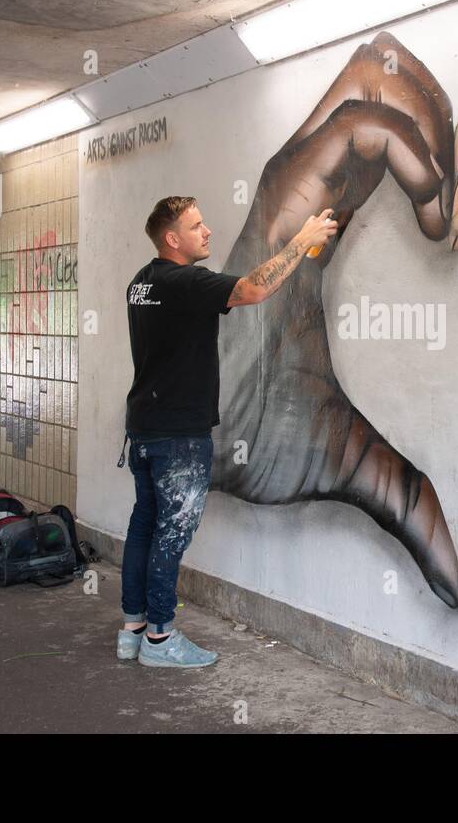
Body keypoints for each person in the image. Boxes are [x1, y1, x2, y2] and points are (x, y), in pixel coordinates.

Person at [116, 195, 336, 668]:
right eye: (196, 226)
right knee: (171, 533)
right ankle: (160, 638)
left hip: (146, 428)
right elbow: (252, 290)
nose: (208, 231)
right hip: (178, 434)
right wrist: (302, 240)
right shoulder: (185, 282)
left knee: (144, 525)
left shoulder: (141, 283)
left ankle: (133, 630)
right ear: (172, 239)